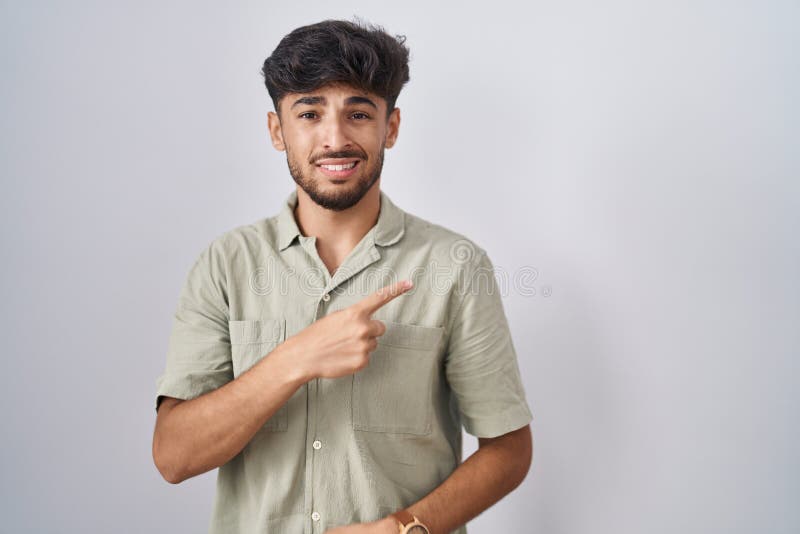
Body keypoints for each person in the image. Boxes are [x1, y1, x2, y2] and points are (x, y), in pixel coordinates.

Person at [152, 18, 534, 534]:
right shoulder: (225, 265)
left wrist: (405, 528)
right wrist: (296, 358)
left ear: (390, 128)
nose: (335, 138)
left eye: (358, 113)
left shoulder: (456, 266)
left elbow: (509, 449)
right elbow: (174, 456)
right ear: (276, 129)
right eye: (309, 113)